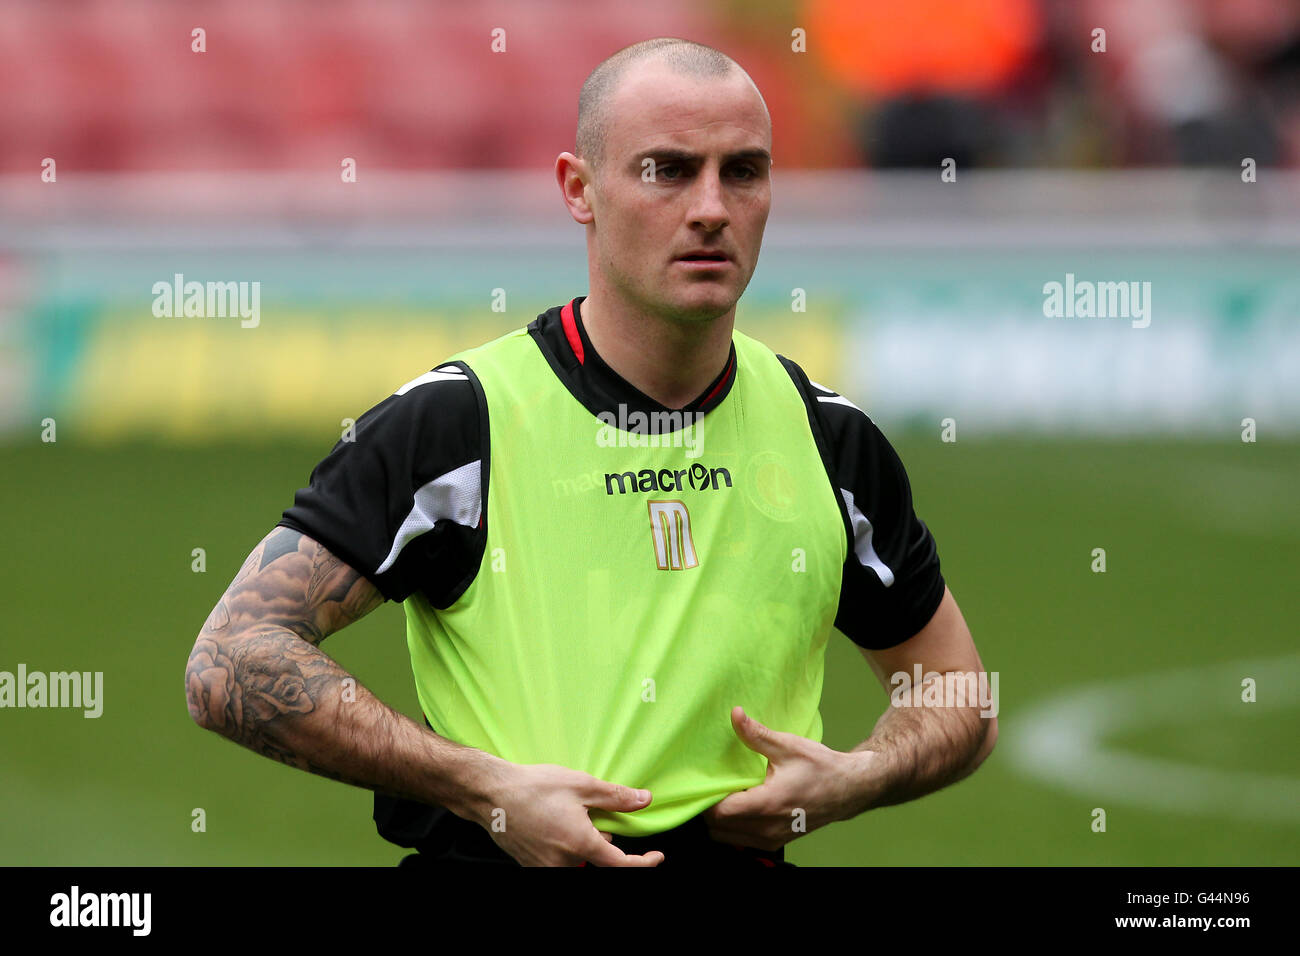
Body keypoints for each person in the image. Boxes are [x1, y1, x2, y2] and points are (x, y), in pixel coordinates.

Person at [184, 36, 996, 868]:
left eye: (743, 171)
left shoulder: (829, 440)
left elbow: (960, 693)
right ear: (580, 189)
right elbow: (231, 660)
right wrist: (483, 789)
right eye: (668, 171)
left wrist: (856, 776)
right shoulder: (460, 424)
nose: (712, 206)